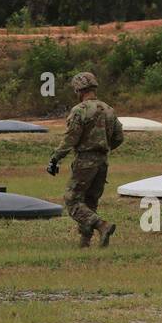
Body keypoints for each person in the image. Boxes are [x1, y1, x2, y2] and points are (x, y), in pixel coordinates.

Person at [47, 72, 122, 248]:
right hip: (102, 161)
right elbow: (119, 137)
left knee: (72, 200)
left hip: (85, 161)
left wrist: (55, 158)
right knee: (89, 202)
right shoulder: (109, 109)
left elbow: (70, 138)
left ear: (78, 89)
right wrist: (103, 147)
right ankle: (85, 242)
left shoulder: (79, 110)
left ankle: (102, 226)